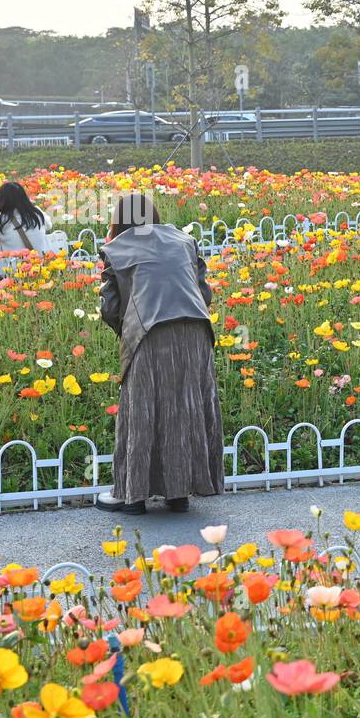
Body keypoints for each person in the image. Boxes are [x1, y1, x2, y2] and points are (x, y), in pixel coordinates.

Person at [96, 194, 224, 515]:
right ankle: (178, 493)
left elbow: (110, 308)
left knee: (141, 410)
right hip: (196, 328)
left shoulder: (117, 248)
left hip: (150, 331)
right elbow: (203, 291)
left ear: (118, 221)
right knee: (185, 404)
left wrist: (126, 333)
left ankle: (132, 496)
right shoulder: (183, 240)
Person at [0, 181, 52, 255]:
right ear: (24, 197)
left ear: (1, 200)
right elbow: (49, 226)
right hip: (39, 264)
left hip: (11, 265)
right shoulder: (36, 212)